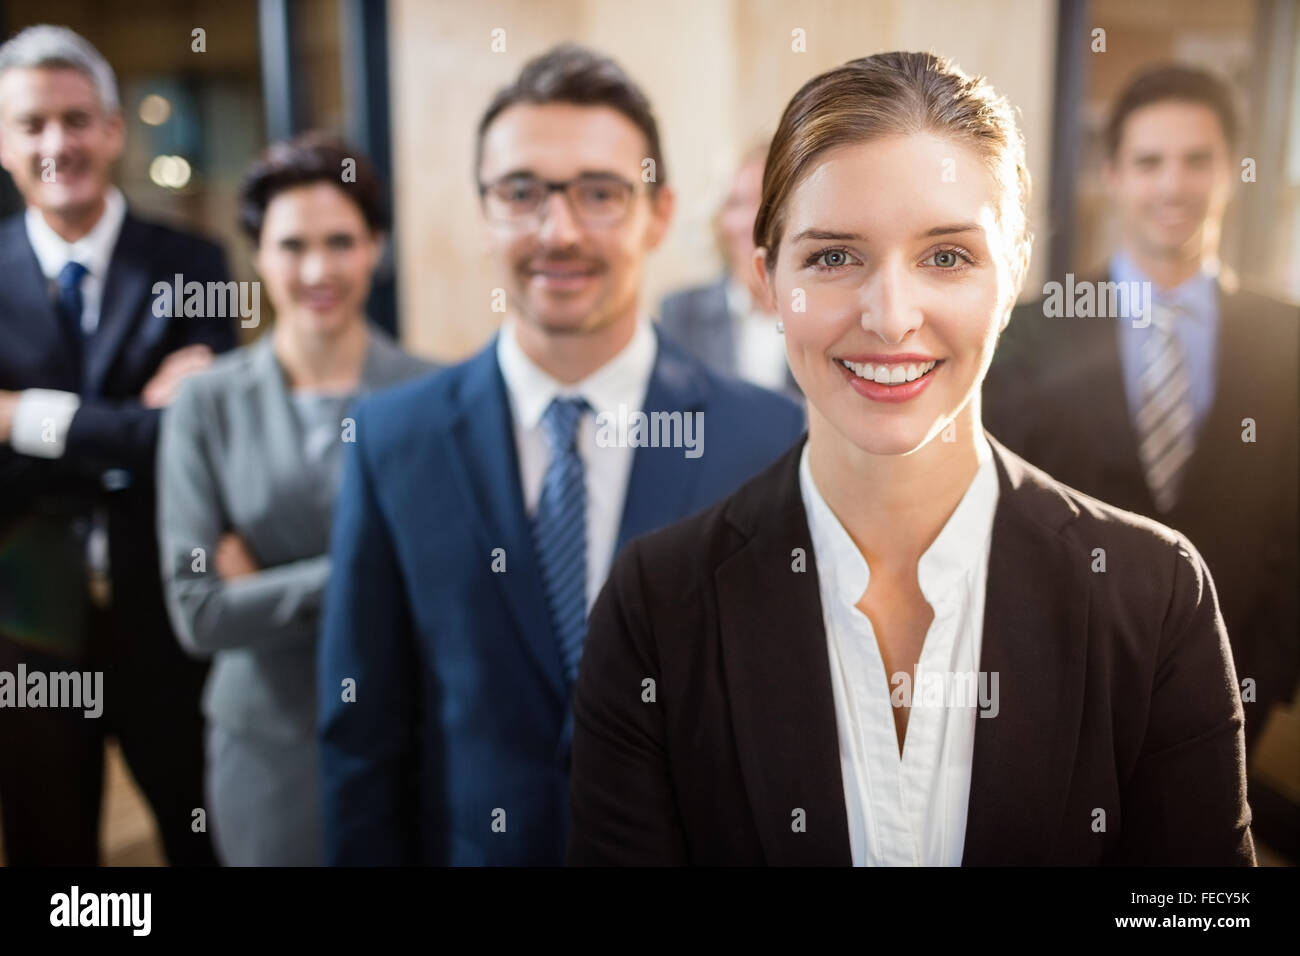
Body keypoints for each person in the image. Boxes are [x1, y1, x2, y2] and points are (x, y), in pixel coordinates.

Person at [568, 51, 1255, 866]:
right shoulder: (656, 607)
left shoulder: (1154, 591)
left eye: (947, 256)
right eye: (833, 257)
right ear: (768, 282)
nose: (892, 317)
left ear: (1011, 279)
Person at [317, 44, 806, 866]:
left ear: (658, 213)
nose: (560, 230)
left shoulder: (767, 439)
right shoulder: (394, 442)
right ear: (484, 213)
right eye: (522, 193)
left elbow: (796, 729)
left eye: (600, 193)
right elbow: (361, 740)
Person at [984, 65, 1298, 774]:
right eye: (1149, 162)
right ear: (1112, 173)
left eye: (1197, 161)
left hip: (1229, 698)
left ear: (1231, 171)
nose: (1172, 185)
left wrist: (1265, 680)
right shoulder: (1031, 333)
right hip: (1061, 698)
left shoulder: (1289, 342)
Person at [156, 134, 432, 866]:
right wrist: (373, 575)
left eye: (341, 241)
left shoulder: (435, 397)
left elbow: (455, 588)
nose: (318, 269)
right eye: (292, 244)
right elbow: (199, 610)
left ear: (376, 246)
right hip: (267, 750)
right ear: (257, 255)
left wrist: (268, 586)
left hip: (411, 734)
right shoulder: (206, 406)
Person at [0, 24, 232, 865]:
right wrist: (128, 422)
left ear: (113, 130)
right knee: (48, 850)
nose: (57, 143)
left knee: (201, 831)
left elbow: (191, 438)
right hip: (28, 621)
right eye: (31, 125)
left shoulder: (194, 262)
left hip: (166, 615)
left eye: (76, 118)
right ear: (2, 142)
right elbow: (146, 433)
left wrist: (20, 415)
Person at [658, 139, 802, 401]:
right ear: (718, 218)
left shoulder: (819, 309)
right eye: (737, 204)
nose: (753, 220)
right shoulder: (680, 312)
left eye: (766, 202)